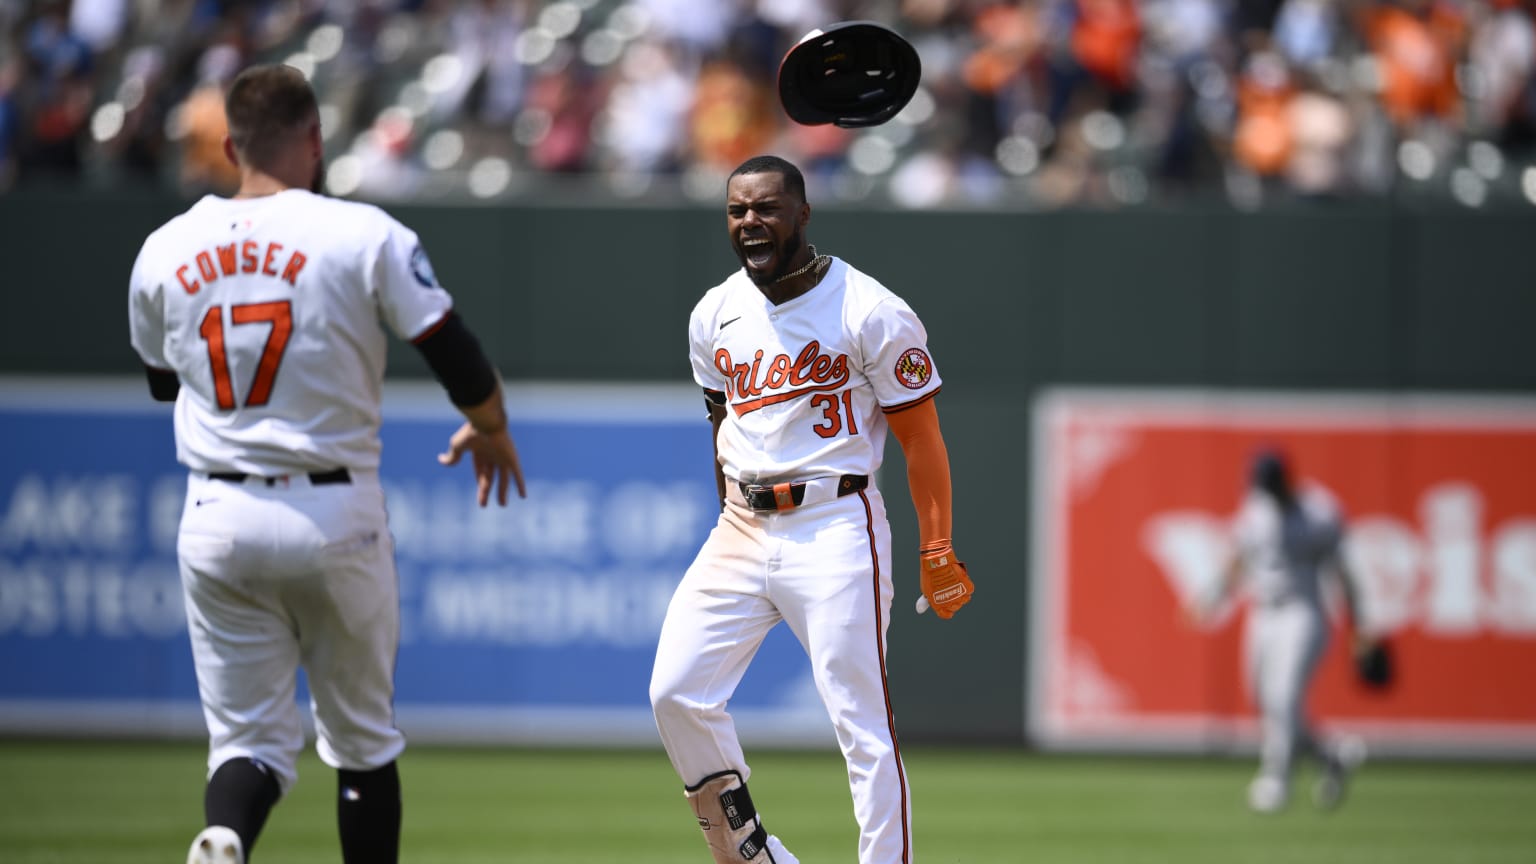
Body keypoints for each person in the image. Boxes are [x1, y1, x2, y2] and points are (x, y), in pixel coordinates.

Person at [126, 64, 526, 864]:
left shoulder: (165, 248)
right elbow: (452, 350)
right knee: (362, 743)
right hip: (334, 508)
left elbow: (163, 382)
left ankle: (226, 835)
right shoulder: (361, 232)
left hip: (218, 511)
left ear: (231, 146)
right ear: (315, 139)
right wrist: (491, 425)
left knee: (247, 741)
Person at [649, 154, 975, 864]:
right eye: (737, 210)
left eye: (766, 208)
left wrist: (936, 547)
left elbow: (923, 441)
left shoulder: (870, 310)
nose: (750, 222)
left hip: (836, 523)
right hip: (741, 523)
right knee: (676, 693)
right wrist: (729, 516)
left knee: (863, 728)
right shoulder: (714, 312)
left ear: (802, 213)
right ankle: (752, 855)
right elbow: (721, 427)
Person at [1191, 448, 1376, 814]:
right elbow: (1239, 559)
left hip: (1302, 612)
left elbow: (1343, 571)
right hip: (1263, 613)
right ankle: (1330, 756)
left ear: (1285, 479)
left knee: (1284, 696)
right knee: (1264, 701)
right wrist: (1213, 596)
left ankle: (1276, 780)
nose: (1267, 491)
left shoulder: (1319, 511)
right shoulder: (1255, 510)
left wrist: (1359, 625)